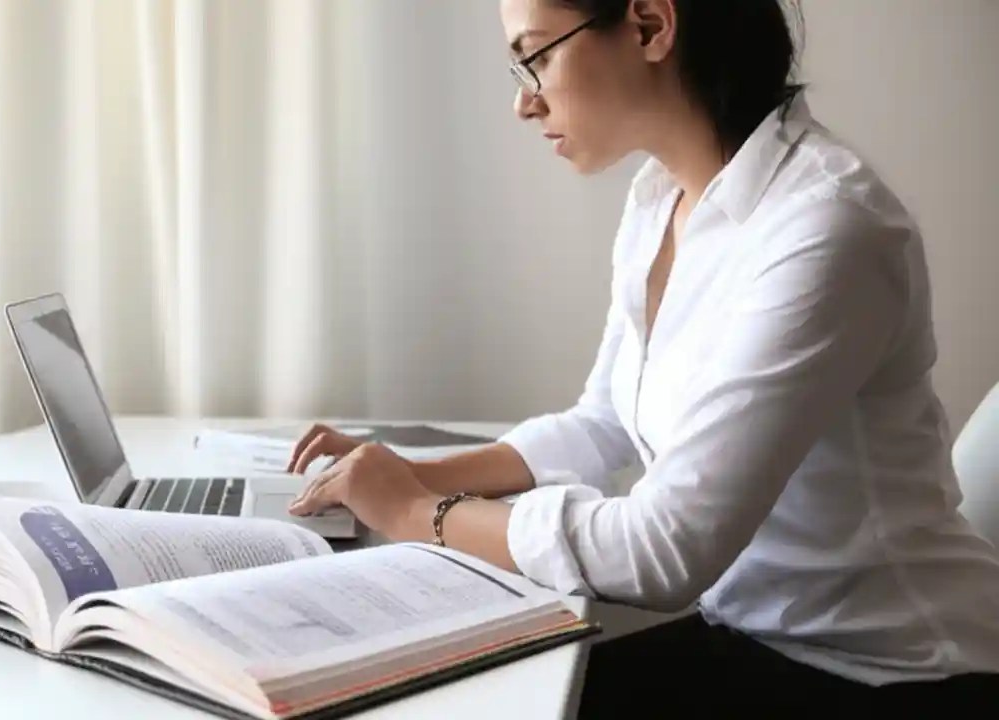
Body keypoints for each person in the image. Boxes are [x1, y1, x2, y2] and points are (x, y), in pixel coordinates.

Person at [284, 0, 999, 715]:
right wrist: (405, 474)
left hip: (890, 672)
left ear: (651, 26)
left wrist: (417, 511)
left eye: (537, 55)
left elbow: (662, 552)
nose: (523, 101)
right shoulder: (660, 197)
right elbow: (602, 422)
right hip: (746, 637)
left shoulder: (829, 229)